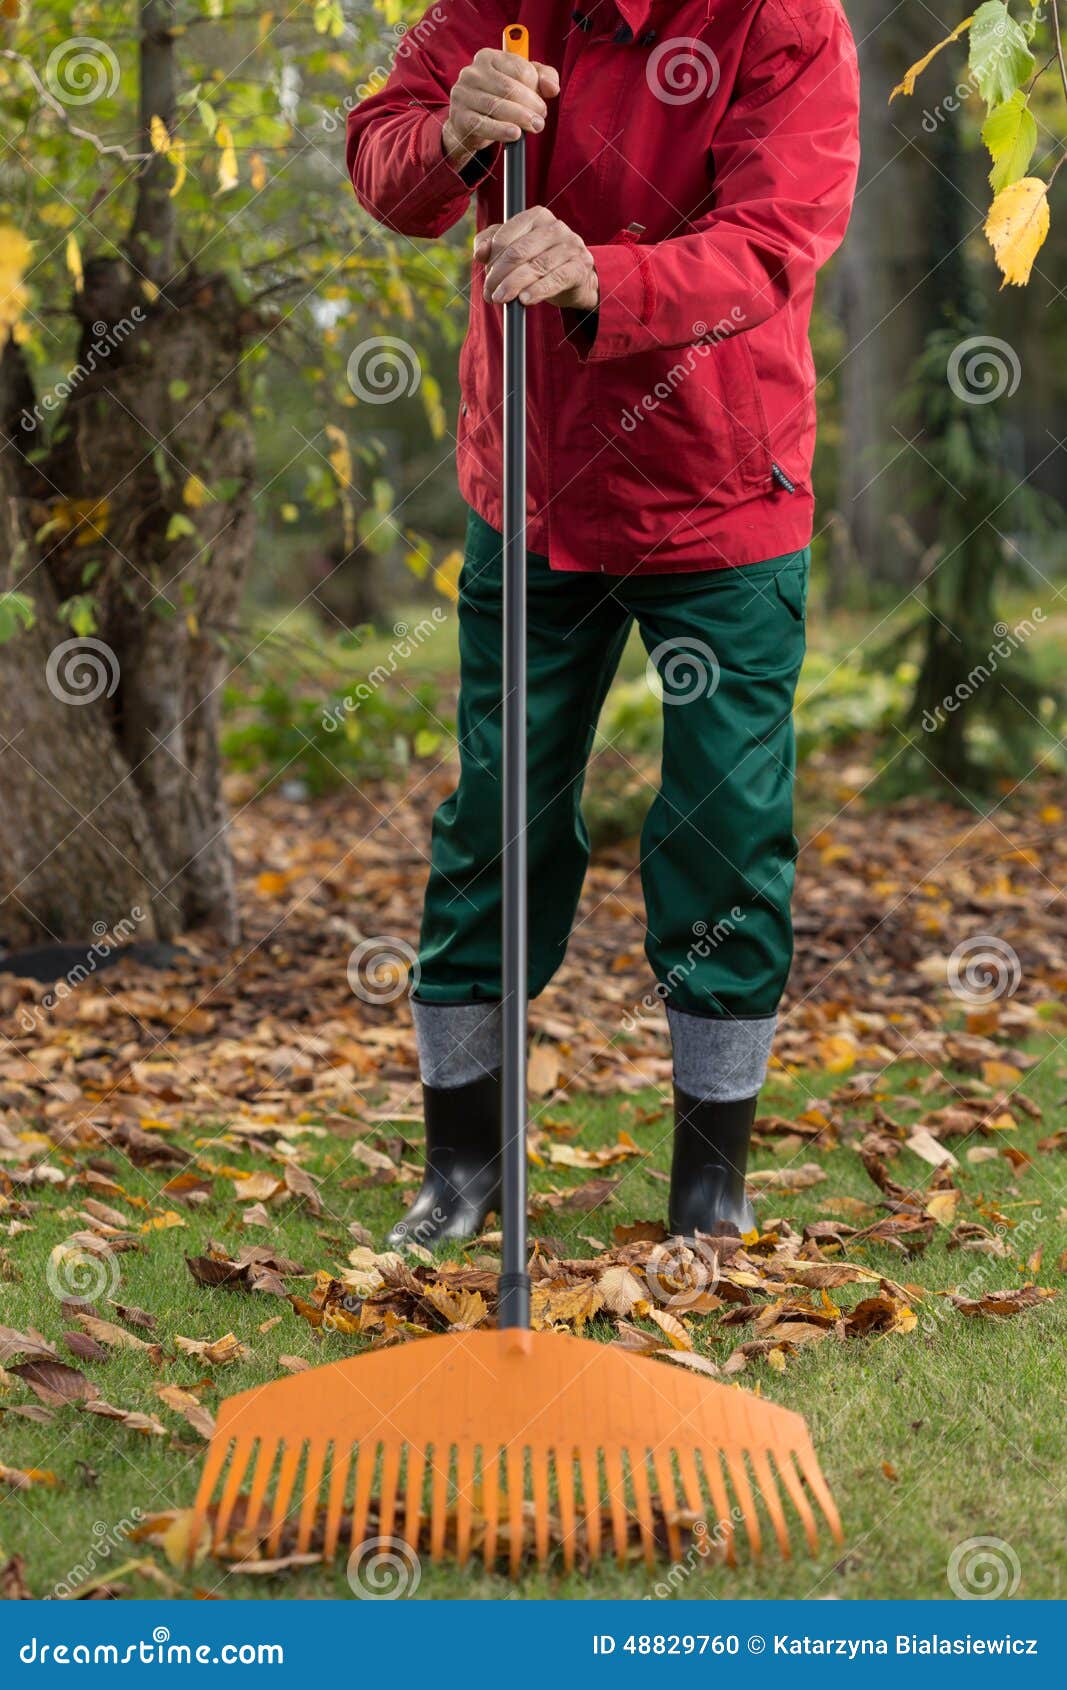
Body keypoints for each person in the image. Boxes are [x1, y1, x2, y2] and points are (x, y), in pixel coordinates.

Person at [346, 1, 860, 1248]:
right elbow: (384, 154)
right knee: (496, 822)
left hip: (719, 495)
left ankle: (707, 1183)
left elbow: (772, 240)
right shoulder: (493, 8)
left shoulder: (781, 20)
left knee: (722, 837)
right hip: (530, 485)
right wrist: (448, 140)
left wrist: (599, 272)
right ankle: (462, 1168)